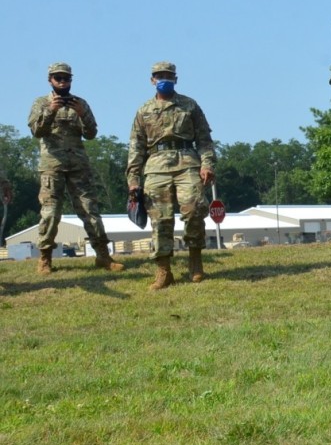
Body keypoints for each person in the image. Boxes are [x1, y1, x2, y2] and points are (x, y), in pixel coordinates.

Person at [26, 62, 124, 275]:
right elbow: (36, 131)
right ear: (50, 80)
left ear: (71, 80)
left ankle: (103, 256)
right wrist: (51, 110)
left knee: (90, 211)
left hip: (79, 166)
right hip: (52, 167)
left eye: (66, 78)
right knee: (51, 213)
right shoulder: (41, 103)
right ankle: (45, 258)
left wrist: (82, 114)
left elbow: (91, 133)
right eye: (58, 78)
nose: (62, 82)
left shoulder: (80, 103)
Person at [126, 61, 217, 290]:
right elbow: (136, 147)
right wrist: (133, 179)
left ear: (175, 79)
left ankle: (195, 262)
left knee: (194, 210)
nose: (164, 79)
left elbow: (204, 139)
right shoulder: (144, 110)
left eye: (168, 75)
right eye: (159, 76)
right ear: (152, 80)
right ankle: (164, 271)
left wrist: (207, 164)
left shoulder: (189, 105)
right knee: (160, 219)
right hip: (156, 167)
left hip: (187, 163)